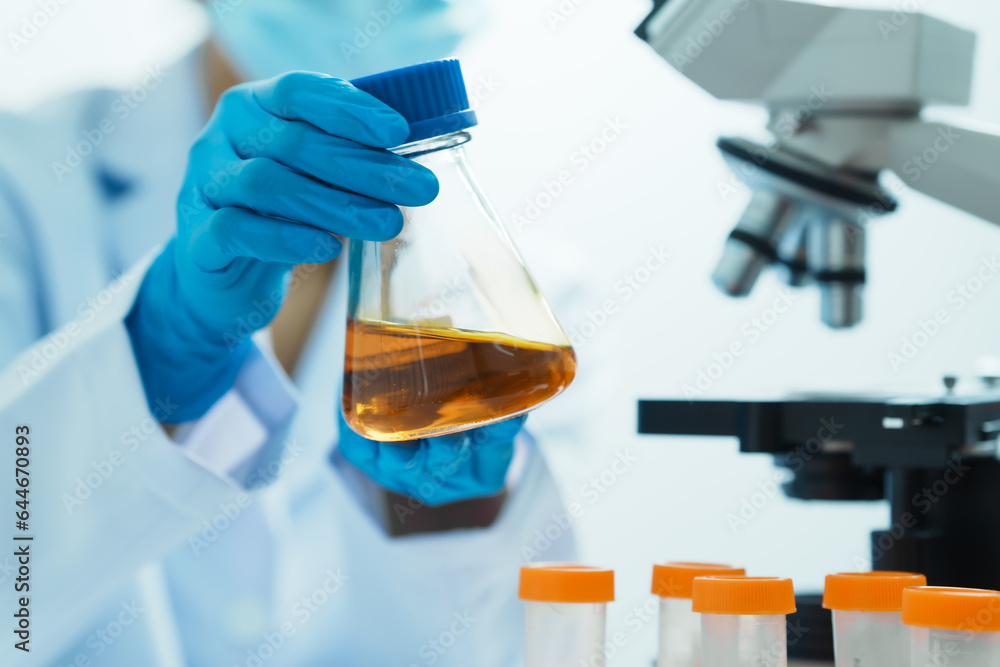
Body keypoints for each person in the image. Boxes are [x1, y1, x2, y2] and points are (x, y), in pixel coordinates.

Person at [0, 0, 575, 664]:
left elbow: (540, 639)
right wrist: (160, 348)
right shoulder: (21, 187)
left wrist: (437, 522)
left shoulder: (530, 304)